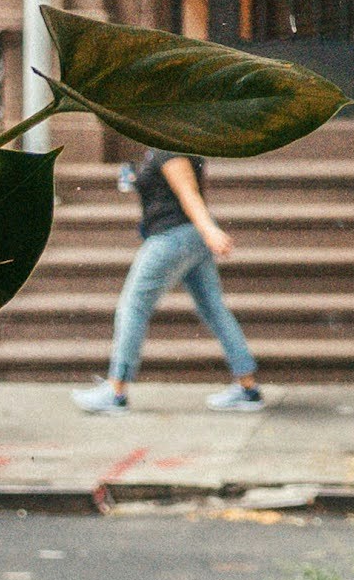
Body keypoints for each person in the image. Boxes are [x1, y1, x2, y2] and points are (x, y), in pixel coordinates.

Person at [74, 145, 264, 414]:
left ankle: (116, 391)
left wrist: (210, 230)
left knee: (133, 306)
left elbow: (189, 193)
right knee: (213, 307)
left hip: (172, 238)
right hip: (188, 236)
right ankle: (248, 388)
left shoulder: (169, 148)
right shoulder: (168, 147)